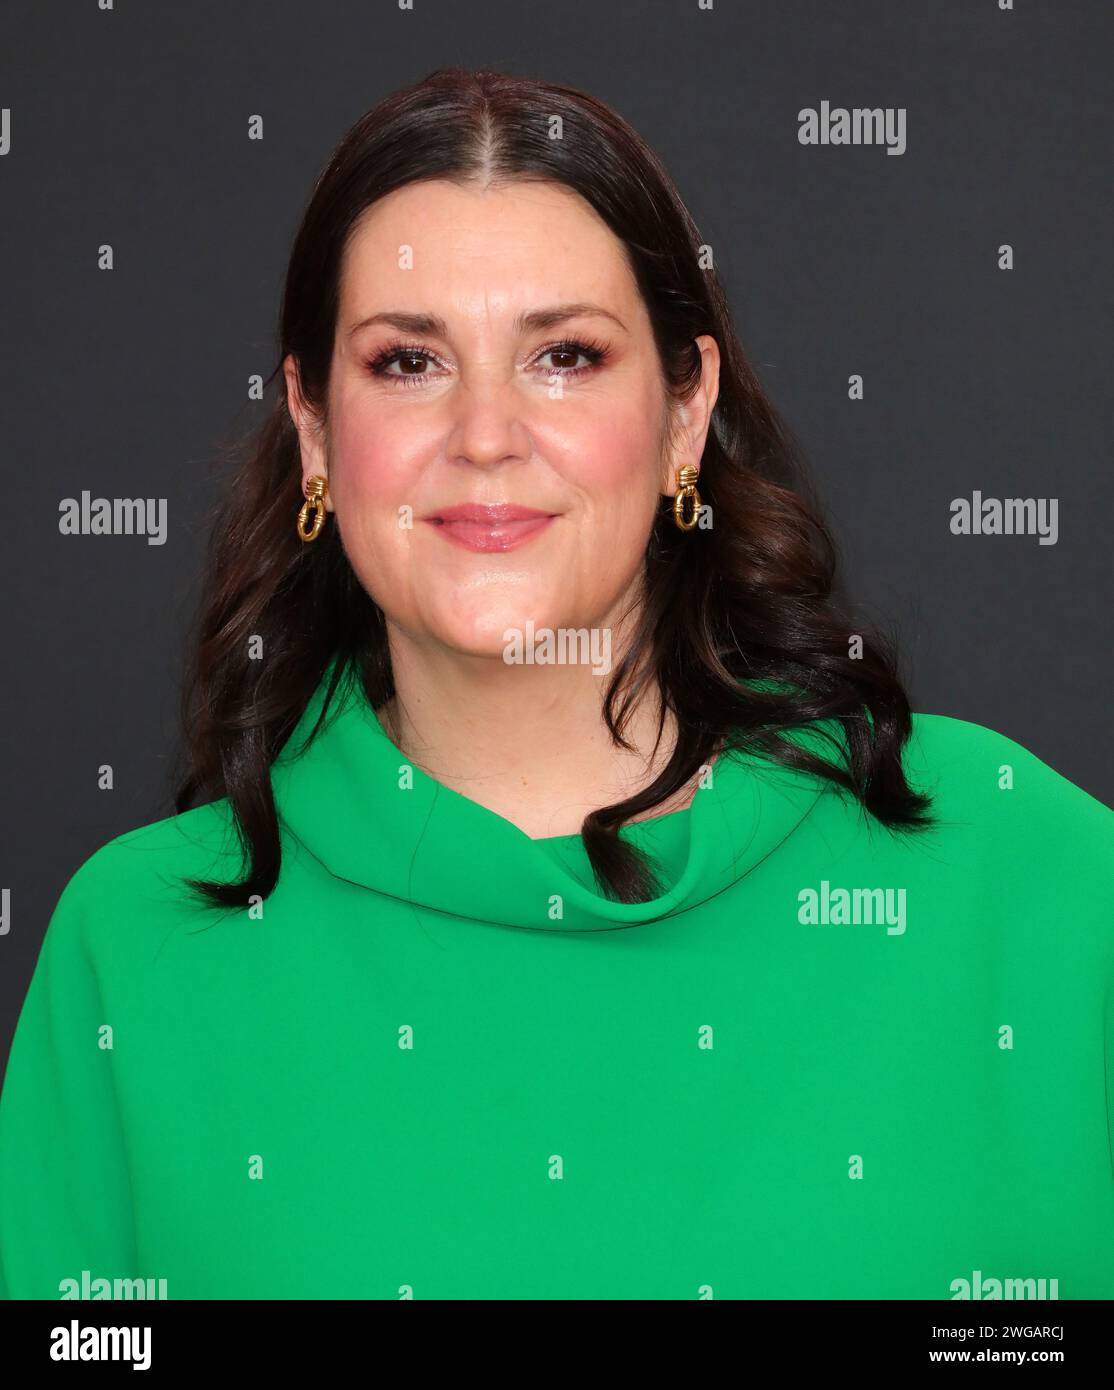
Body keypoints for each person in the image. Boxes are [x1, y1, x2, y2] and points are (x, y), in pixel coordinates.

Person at [1, 67, 1111, 1301]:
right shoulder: (137, 946)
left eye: (565, 355)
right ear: (315, 433)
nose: (485, 433)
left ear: (684, 416)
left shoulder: (1031, 873)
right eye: (410, 361)